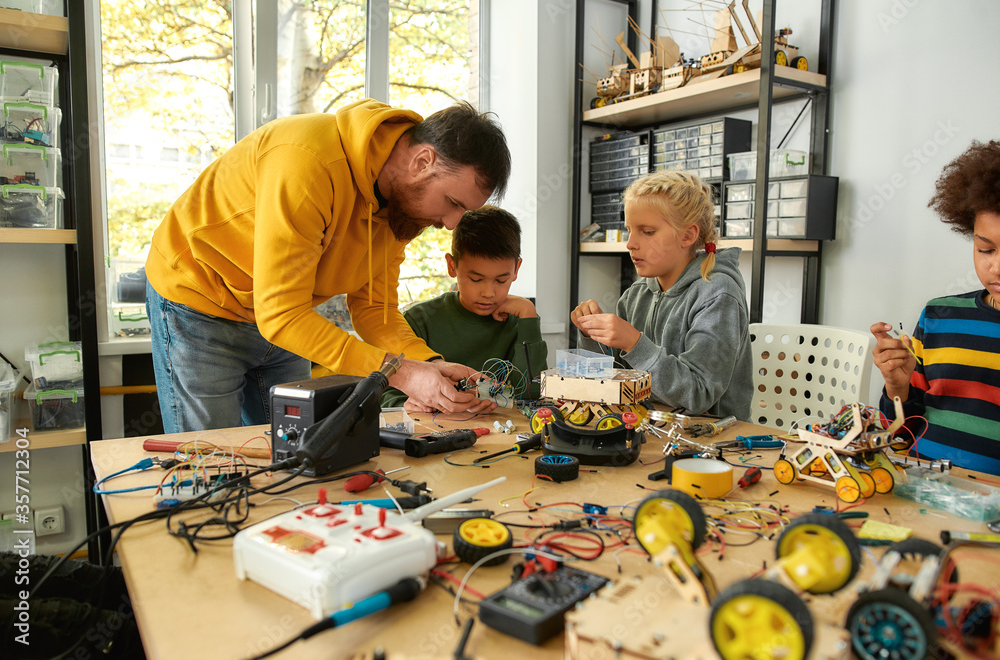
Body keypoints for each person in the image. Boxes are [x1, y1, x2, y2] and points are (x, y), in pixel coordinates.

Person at [145, 99, 511, 433]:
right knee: (212, 460)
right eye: (452, 202)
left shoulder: (402, 206)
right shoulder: (307, 162)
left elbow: (376, 310)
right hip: (201, 304)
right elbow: (281, 315)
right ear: (422, 162)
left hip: (286, 320)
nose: (451, 224)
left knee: (297, 449)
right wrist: (401, 374)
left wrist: (429, 366)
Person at [570, 170, 752, 421]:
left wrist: (634, 343)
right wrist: (592, 336)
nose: (630, 244)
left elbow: (698, 395)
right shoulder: (636, 295)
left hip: (710, 436)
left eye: (647, 231)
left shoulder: (718, 294)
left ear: (687, 235)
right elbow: (613, 380)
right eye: (629, 230)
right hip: (648, 428)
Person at [872, 140, 1000, 475]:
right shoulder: (939, 316)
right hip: (918, 481)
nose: (996, 267)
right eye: (985, 250)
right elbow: (898, 434)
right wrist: (897, 387)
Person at [381, 206, 548, 410]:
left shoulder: (519, 322)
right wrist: (410, 405)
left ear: (516, 269)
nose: (488, 293)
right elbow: (383, 394)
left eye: (501, 280)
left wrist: (529, 313)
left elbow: (531, 395)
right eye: (476, 279)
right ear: (452, 266)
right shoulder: (417, 321)